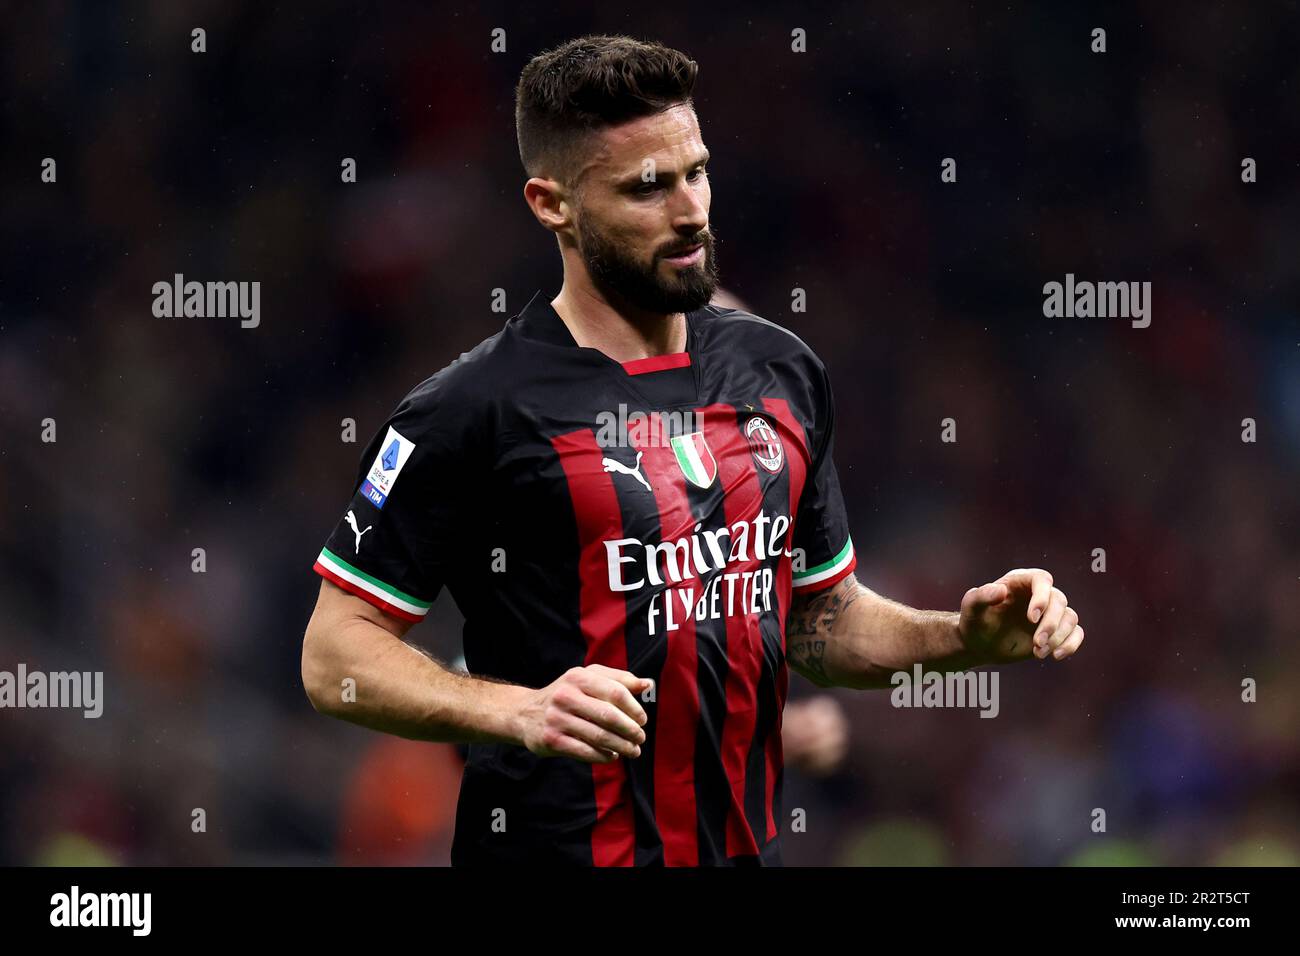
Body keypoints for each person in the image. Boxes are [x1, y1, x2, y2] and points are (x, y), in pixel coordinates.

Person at [301, 34, 1084, 866]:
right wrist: (517, 711)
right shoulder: (469, 410)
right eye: (647, 188)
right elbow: (333, 653)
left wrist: (959, 637)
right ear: (551, 204)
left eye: (696, 173)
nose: (690, 212)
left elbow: (821, 617)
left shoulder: (778, 367)